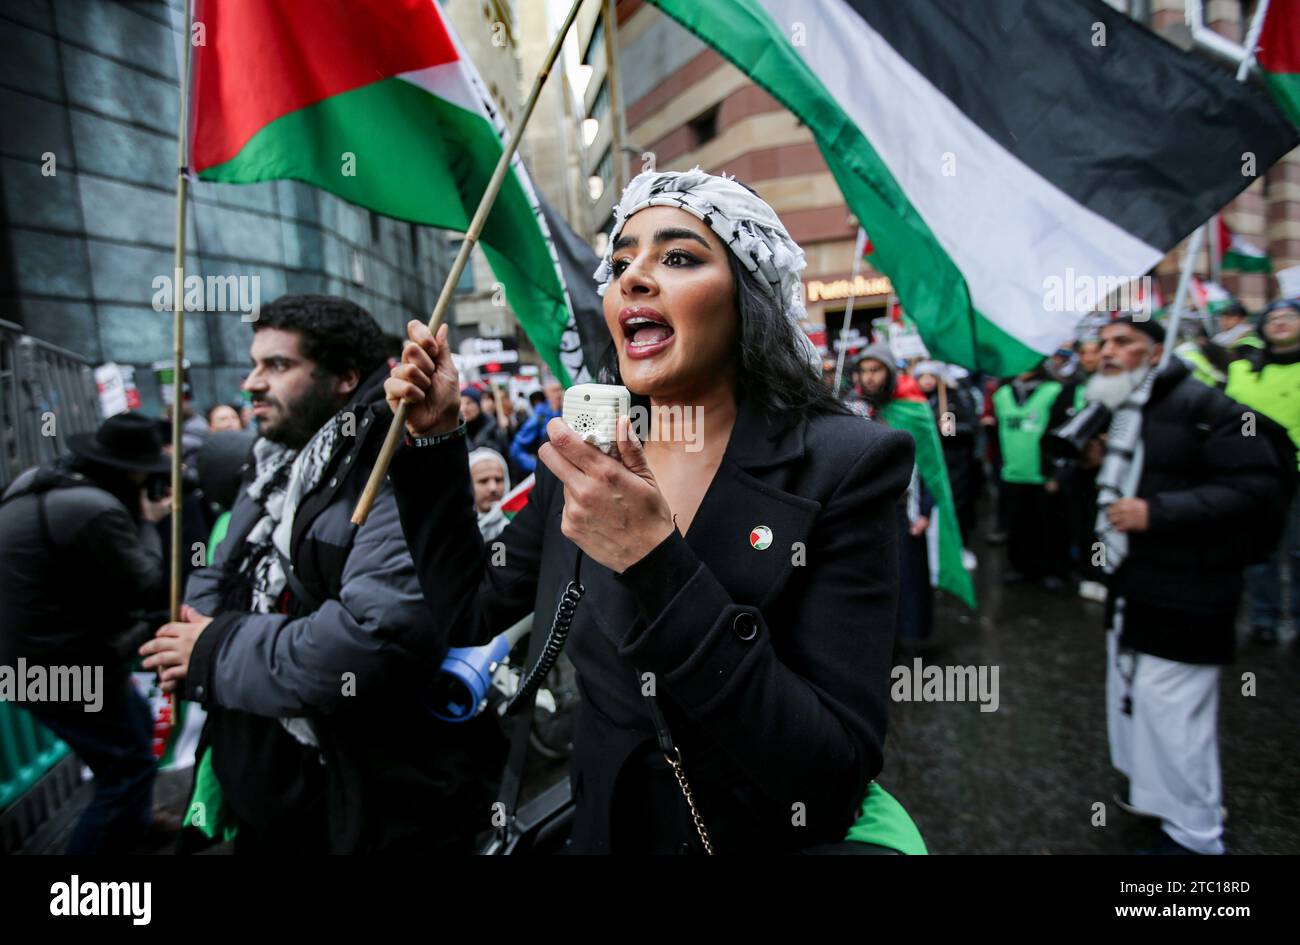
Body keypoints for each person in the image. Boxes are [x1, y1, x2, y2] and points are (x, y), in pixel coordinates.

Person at [386, 168, 913, 853]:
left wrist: (657, 564)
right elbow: (472, 610)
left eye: (678, 256)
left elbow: (829, 770)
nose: (632, 276)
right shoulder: (586, 452)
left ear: (748, 297)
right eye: (621, 260)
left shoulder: (848, 463)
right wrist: (433, 438)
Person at [139, 294, 500, 853]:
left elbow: (374, 639)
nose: (253, 383)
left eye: (278, 366)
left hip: (355, 799)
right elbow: (226, 564)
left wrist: (212, 652)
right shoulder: (270, 461)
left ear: (344, 378)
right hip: (264, 783)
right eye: (255, 364)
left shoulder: (391, 467)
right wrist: (190, 634)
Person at [1085, 316, 1286, 855]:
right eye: (1103, 342)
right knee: (1136, 698)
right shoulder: (1128, 410)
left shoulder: (1207, 408)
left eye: (1123, 342)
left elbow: (1257, 486)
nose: (1107, 351)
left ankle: (1196, 836)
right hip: (1138, 587)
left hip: (1191, 589)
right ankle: (1155, 799)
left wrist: (1158, 511)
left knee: (1175, 713)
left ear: (1155, 352)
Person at [0, 413, 173, 853]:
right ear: (131, 471)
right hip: (67, 664)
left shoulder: (39, 488)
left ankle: (132, 824)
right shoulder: (93, 508)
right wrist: (150, 521)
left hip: (29, 664)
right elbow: (148, 581)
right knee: (126, 768)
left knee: (131, 739)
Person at [1223, 299, 1300, 645]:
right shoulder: (1241, 367)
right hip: (1255, 472)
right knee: (1260, 551)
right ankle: (1263, 618)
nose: (1280, 323)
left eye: (1289, 317)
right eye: (1273, 318)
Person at [852, 346, 934, 648]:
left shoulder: (911, 410)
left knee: (908, 579)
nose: (870, 377)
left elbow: (930, 465)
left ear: (889, 372)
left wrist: (925, 510)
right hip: (864, 513)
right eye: (865, 370)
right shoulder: (853, 409)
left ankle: (911, 638)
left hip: (903, 511)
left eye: (877, 370)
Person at [992, 365, 1075, 589]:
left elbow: (1061, 432)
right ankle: (1020, 567)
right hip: (1013, 472)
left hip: (1043, 474)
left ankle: (1053, 569)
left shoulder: (1055, 391)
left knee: (1049, 526)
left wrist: (1056, 472)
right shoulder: (1002, 394)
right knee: (1018, 525)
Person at [509, 379, 563, 475]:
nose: (559, 394)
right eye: (555, 391)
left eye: (560, 390)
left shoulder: (566, 413)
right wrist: (537, 465)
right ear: (546, 394)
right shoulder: (539, 416)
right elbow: (516, 449)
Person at [469, 446, 511, 543]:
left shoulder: (519, 526)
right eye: (483, 481)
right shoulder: (455, 530)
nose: (493, 488)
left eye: (498, 480)